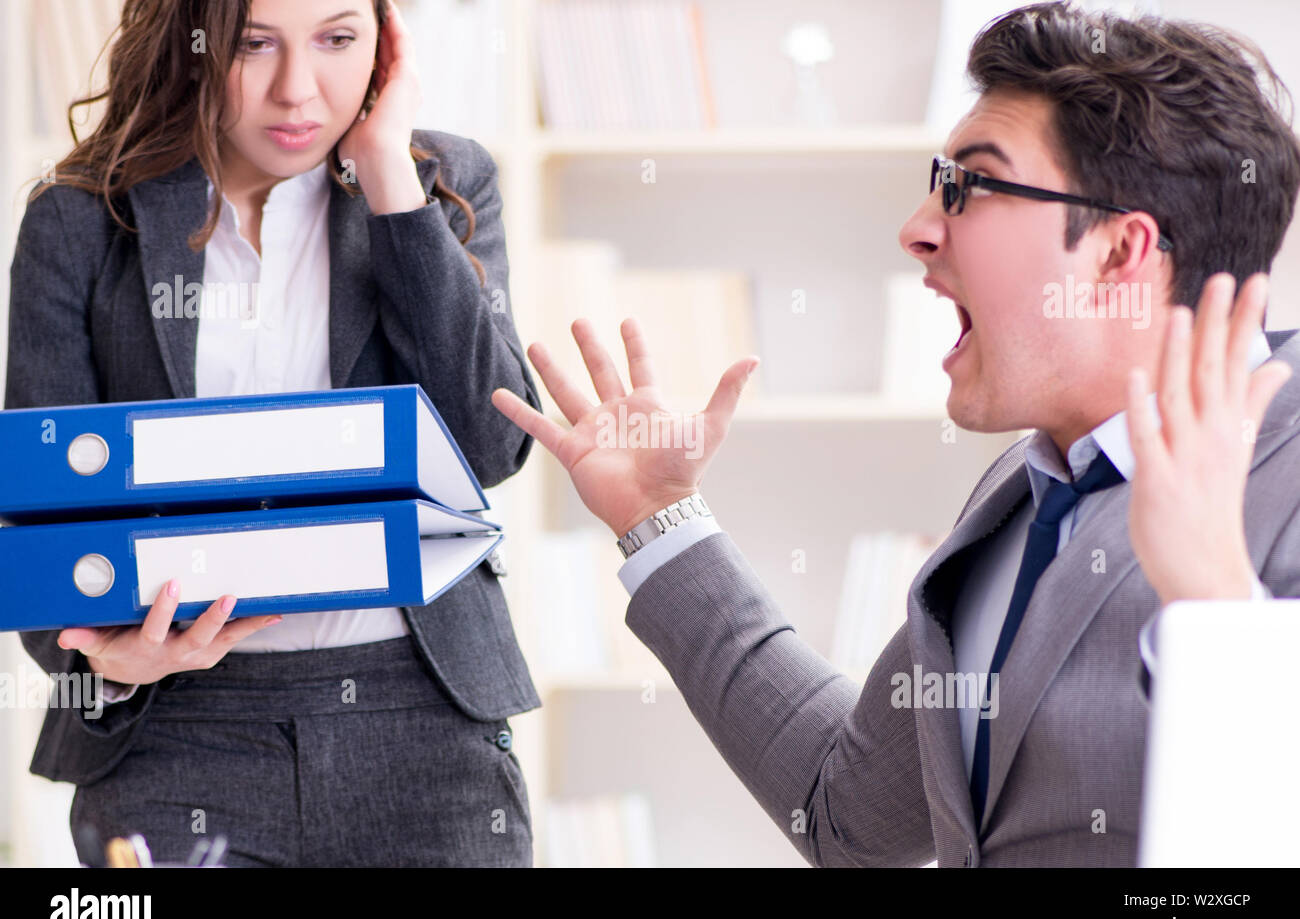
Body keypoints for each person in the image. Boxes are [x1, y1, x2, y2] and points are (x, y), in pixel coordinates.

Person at [491, 1, 1300, 866]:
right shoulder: (1016, 494)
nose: (917, 228)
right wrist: (659, 516)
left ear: (1117, 252)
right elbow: (847, 818)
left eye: (971, 185)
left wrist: (1216, 610)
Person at [6, 0, 542, 866]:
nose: (298, 91)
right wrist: (112, 662)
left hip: (421, 727)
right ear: (190, 41)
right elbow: (38, 516)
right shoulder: (78, 221)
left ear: (384, 42)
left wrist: (388, 181)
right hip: (177, 734)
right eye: (253, 44)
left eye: (337, 39)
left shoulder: (441, 182)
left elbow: (492, 446)